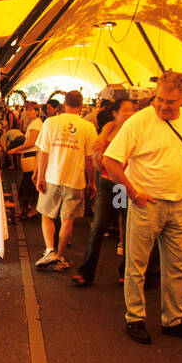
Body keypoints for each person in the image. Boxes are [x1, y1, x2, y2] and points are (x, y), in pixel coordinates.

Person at [102, 71, 182, 344]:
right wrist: (134, 192)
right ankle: (134, 317)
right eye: (159, 99)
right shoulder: (139, 121)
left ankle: (172, 318)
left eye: (170, 102)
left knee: (177, 265)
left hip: (177, 204)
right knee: (137, 265)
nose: (163, 106)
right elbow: (111, 160)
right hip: (146, 204)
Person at [72, 97, 135, 287]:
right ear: (115, 113)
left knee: (127, 229)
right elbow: (98, 155)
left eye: (133, 110)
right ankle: (86, 272)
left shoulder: (134, 131)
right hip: (108, 184)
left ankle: (126, 272)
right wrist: (96, 159)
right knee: (98, 227)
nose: (130, 113)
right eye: (126, 110)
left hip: (124, 185)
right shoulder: (109, 128)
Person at [34, 90, 97, 270]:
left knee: (46, 215)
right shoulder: (88, 127)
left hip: (52, 176)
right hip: (76, 180)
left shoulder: (51, 123)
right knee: (67, 219)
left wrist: (40, 176)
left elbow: (43, 152)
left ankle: (50, 250)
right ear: (82, 105)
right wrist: (91, 182)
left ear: (64, 104)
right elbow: (89, 159)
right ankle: (60, 257)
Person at [11, 100, 43, 219]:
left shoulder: (35, 124)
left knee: (29, 184)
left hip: (32, 157)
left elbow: (32, 142)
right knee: (29, 184)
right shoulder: (35, 123)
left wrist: (16, 149)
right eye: (26, 110)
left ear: (36, 112)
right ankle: (30, 209)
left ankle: (32, 209)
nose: (27, 112)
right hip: (30, 157)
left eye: (30, 110)